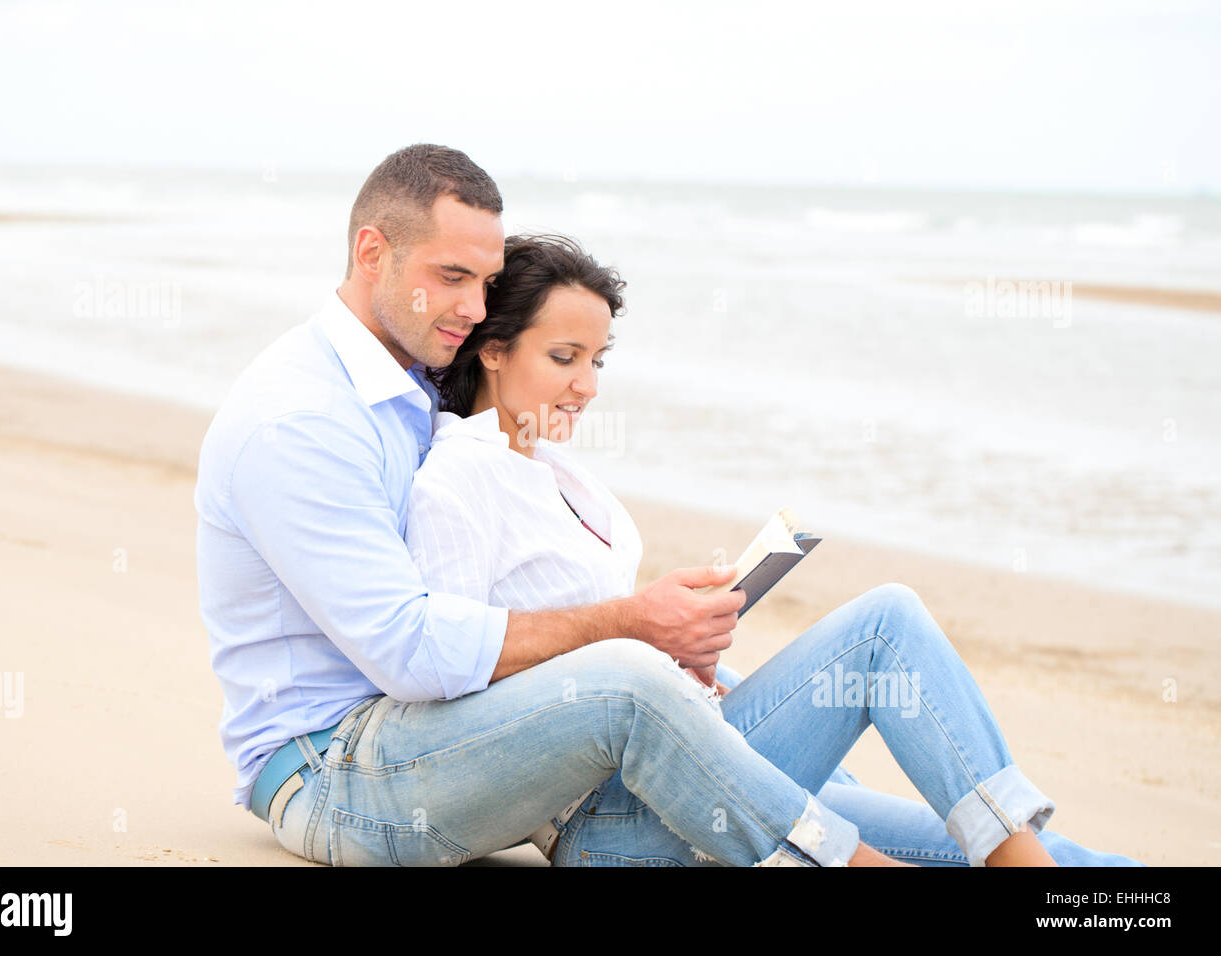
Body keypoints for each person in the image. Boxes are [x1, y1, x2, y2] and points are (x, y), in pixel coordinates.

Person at [193, 143, 1139, 867]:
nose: (476, 306)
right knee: (635, 681)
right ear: (373, 251)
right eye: (454, 278)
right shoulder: (305, 421)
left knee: (909, 707)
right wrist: (634, 628)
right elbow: (411, 650)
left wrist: (673, 646)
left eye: (486, 284)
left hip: (499, 752)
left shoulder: (410, 394)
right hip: (339, 770)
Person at [405, 232, 1144, 867]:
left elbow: (588, 630)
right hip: (617, 822)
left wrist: (674, 649)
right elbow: (459, 690)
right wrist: (633, 638)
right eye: (566, 356)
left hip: (699, 763)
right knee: (887, 624)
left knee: (986, 839)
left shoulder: (556, 471)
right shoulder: (458, 480)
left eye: (598, 359)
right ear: (494, 350)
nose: (587, 385)